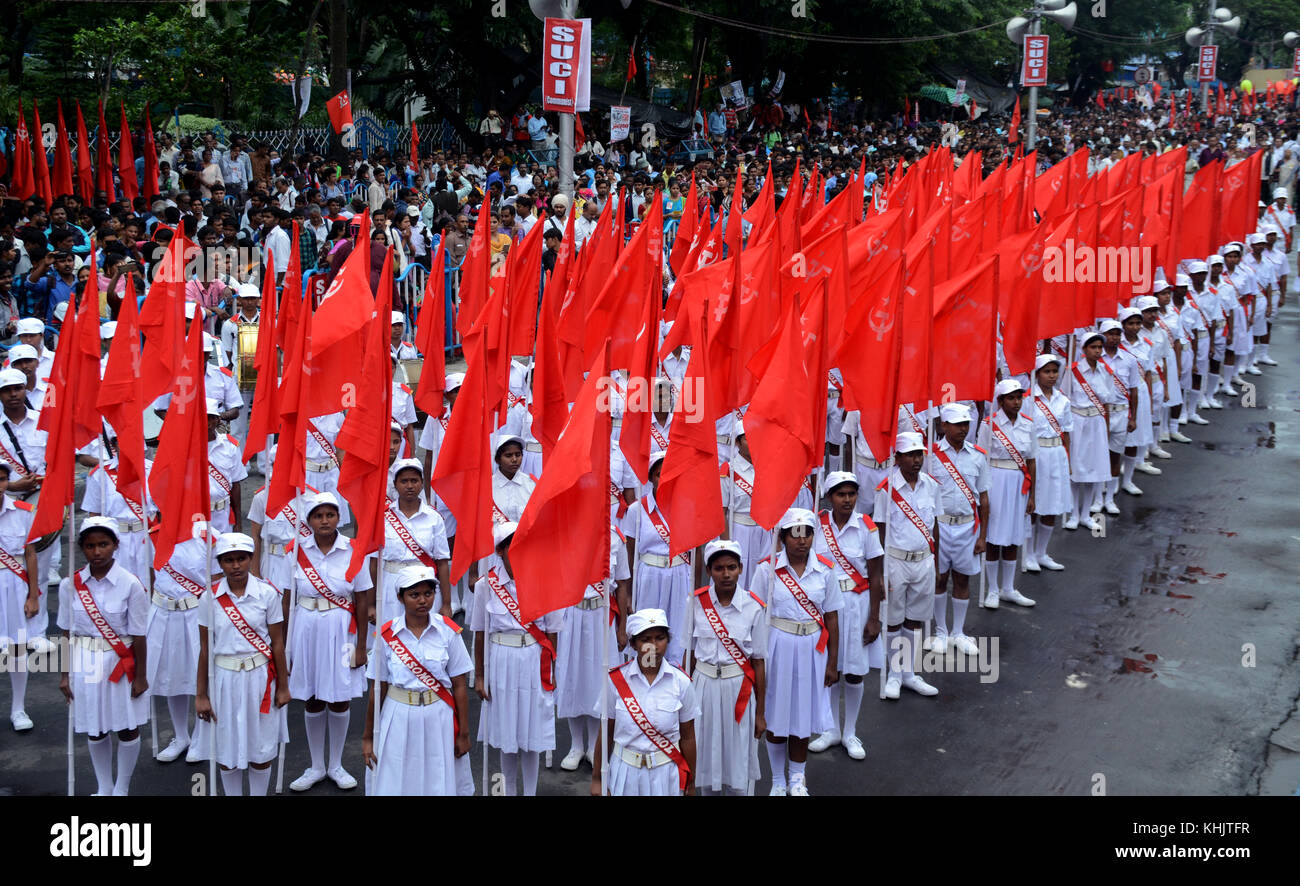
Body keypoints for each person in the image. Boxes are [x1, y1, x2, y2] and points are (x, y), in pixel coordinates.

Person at [58, 517, 150, 796]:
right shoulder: (69, 585)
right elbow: (65, 631)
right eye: (89, 546)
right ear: (82, 548)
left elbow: (139, 635)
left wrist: (142, 677)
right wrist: (63, 675)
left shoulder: (130, 584)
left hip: (120, 662)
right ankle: (104, 786)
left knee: (126, 727)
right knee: (94, 727)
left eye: (103, 544)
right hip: (84, 661)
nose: (96, 552)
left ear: (115, 545)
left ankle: (121, 787)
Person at [287, 492, 372, 792]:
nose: (324, 521)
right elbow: (288, 599)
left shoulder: (353, 550)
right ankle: (315, 765)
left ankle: (336, 764)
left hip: (342, 628)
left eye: (330, 515)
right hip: (306, 627)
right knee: (312, 695)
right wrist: (287, 648)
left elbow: (362, 600)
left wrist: (362, 645)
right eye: (318, 516)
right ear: (308, 521)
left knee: (339, 695)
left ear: (339, 518)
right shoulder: (296, 550)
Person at [752, 508, 841, 795]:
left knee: (801, 717)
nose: (802, 541)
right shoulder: (766, 570)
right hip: (778, 646)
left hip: (811, 649)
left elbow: (832, 617)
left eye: (807, 534)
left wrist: (833, 661)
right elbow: (755, 615)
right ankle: (778, 781)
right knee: (777, 715)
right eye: (795, 534)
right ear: (783, 538)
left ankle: (797, 779)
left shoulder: (825, 570)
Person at [195, 532, 291, 796]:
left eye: (241, 559)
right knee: (227, 750)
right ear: (220, 563)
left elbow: (277, 644)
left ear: (251, 559)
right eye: (228, 560)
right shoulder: (209, 597)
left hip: (260, 678)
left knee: (261, 748)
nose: (235, 565)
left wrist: (283, 686)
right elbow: (205, 649)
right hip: (224, 679)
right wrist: (201, 694)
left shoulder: (267, 594)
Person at [364, 564, 472, 796]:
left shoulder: (448, 632)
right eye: (414, 595)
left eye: (428, 593)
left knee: (438, 777)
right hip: (398, 715)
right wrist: (367, 736)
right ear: (400, 598)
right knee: (399, 779)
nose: (422, 600)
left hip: (438, 715)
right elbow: (378, 687)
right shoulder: (386, 635)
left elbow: (460, 686)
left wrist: (464, 733)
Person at [471, 522, 560, 796]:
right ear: (500, 551)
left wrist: (551, 670)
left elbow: (552, 632)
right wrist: (480, 675)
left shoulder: (545, 580)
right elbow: (480, 632)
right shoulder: (486, 586)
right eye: (513, 547)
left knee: (531, 734)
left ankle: (530, 792)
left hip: (533, 658)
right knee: (506, 734)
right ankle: (506, 792)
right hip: (501, 660)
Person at [808, 472, 885, 760]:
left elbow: (876, 574)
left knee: (853, 670)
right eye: (841, 494)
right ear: (830, 497)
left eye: (852, 494)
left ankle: (850, 731)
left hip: (856, 603)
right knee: (831, 669)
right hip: (826, 606)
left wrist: (874, 617)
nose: (848, 500)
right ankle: (830, 730)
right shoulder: (816, 523)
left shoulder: (866, 526)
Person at [685, 541, 767, 794]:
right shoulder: (695, 602)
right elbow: (688, 655)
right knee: (706, 751)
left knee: (738, 752)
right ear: (709, 571)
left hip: (738, 687)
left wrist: (761, 712)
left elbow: (759, 661)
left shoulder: (754, 606)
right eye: (719, 568)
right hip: (703, 685)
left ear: (741, 569)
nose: (726, 573)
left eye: (732, 567)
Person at [590, 607, 698, 797]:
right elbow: (605, 734)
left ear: (668, 640)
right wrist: (598, 780)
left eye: (659, 638)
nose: (653, 646)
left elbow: (688, 737)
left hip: (666, 775)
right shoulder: (615, 681)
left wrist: (691, 784)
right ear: (633, 644)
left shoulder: (681, 682)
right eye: (645, 640)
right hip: (624, 774)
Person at [557, 524, 631, 771]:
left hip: (602, 614)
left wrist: (622, 627)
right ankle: (576, 745)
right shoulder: (566, 533)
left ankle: (593, 746)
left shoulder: (616, 538)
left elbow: (622, 584)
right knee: (573, 679)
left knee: (599, 681)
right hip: (572, 613)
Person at [873, 433, 941, 699]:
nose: (916, 460)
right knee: (893, 619)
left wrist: (937, 560)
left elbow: (935, 524)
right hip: (896, 561)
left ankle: (910, 674)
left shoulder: (931, 485)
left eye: (919, 454)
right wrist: (879, 571)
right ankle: (894, 674)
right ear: (898, 457)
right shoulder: (886, 489)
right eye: (911, 455)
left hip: (924, 559)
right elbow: (879, 530)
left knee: (915, 618)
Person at [148, 524, 217, 765]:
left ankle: (202, 737)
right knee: (171, 677)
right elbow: (151, 575)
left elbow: (218, 578)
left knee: (201, 675)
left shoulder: (207, 534)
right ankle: (180, 737)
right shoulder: (154, 534)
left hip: (196, 613)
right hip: (164, 613)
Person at [927, 404, 989, 656]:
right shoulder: (930, 457)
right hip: (939, 525)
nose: (964, 429)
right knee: (939, 579)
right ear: (944, 426)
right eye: (958, 424)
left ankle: (958, 632)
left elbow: (984, 498)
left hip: (966, 526)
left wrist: (983, 535)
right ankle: (940, 630)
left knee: (962, 579)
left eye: (966, 424)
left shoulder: (978, 455)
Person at [624, 452, 693, 667]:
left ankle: (674, 679)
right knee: (648, 627)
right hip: (649, 576)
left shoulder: (689, 506)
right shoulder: (637, 510)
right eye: (658, 474)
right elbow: (630, 553)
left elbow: (696, 551)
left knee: (677, 629)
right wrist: (627, 592)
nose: (663, 479)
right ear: (651, 477)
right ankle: (645, 676)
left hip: (680, 574)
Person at [976, 379, 1038, 608]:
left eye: (1019, 397)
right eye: (1011, 398)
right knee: (993, 536)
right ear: (1000, 401)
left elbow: (1031, 461)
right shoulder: (988, 425)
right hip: (995, 481)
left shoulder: (1028, 424)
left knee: (1013, 536)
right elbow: (980, 461)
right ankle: (992, 589)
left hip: (1018, 483)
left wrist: (1032, 495)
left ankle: (1008, 588)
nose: (1016, 402)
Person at [1022, 355, 1072, 573]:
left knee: (1053, 505)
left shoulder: (1063, 400)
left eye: (1054, 372)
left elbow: (1067, 432)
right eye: (1047, 372)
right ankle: (1028, 554)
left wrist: (1067, 458)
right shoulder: (1027, 400)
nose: (1052, 376)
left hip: (1056, 452)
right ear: (1037, 374)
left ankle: (1042, 552)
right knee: (1034, 505)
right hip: (1037, 454)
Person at [0, 462, 39, 731]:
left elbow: (30, 554)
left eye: (2, 479)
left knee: (16, 648)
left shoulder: (22, 511)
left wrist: (33, 595)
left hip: (14, 583)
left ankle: (18, 709)